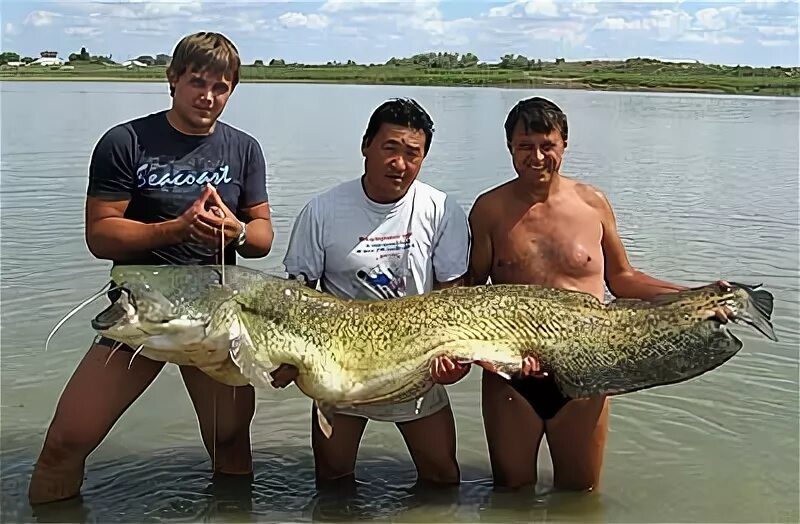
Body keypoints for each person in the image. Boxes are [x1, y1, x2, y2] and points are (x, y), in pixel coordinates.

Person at [28, 32, 274, 505]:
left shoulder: (244, 149)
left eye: (220, 87)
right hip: (139, 316)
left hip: (215, 319)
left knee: (230, 444)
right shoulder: (126, 142)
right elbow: (100, 235)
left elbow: (262, 236)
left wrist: (236, 231)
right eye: (197, 82)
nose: (207, 96)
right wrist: (177, 229)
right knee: (66, 441)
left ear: (232, 90)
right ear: (172, 79)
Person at [467, 96, 729, 492]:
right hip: (512, 375)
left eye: (546, 145)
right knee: (511, 495)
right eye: (524, 147)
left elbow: (623, 279)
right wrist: (481, 355)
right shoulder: (489, 209)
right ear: (510, 148)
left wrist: (693, 297)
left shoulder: (593, 203)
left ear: (564, 145)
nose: (536, 157)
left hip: (588, 370)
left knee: (579, 494)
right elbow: (471, 295)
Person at [272, 98, 472, 488]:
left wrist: (455, 357)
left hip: (416, 363)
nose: (400, 163)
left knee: (443, 477)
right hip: (339, 367)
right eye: (390, 148)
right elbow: (294, 297)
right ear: (366, 146)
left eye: (412, 154)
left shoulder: (441, 209)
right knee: (332, 480)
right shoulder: (322, 211)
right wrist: (286, 357)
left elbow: (454, 297)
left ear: (423, 158)